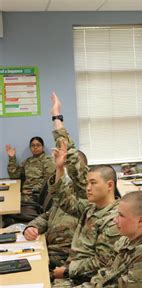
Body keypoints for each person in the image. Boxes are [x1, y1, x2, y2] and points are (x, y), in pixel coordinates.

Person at [23, 92, 88, 268]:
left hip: (65, 260)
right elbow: (47, 216)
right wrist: (32, 227)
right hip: (48, 249)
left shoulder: (86, 198)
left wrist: (57, 117)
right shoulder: (65, 190)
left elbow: (72, 158)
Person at [50, 158, 121, 288]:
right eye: (87, 183)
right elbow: (64, 200)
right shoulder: (92, 207)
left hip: (91, 282)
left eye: (93, 183)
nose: (88, 188)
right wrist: (59, 169)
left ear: (109, 185)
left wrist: (67, 271)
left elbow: (102, 262)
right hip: (74, 272)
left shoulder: (114, 220)